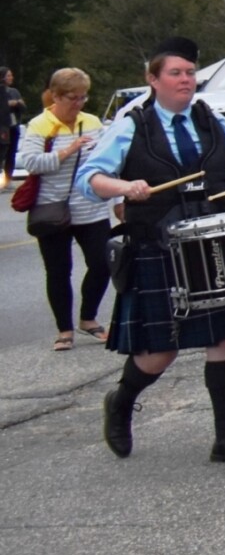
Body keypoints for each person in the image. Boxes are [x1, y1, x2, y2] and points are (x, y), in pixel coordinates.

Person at [82, 37, 225, 463]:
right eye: (175, 73)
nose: (186, 80)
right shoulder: (130, 123)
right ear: (152, 79)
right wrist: (123, 187)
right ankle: (120, 402)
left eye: (190, 73)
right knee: (159, 352)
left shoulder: (214, 122)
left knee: (224, 340)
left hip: (213, 245)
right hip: (157, 244)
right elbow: (93, 177)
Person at [18, 69, 115, 350]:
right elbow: (32, 163)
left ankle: (88, 318)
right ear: (56, 96)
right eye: (73, 98)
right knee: (59, 270)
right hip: (52, 208)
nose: (79, 103)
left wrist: (119, 201)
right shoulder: (40, 124)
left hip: (91, 207)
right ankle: (64, 330)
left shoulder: (93, 122)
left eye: (83, 97)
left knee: (102, 262)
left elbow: (109, 160)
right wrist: (67, 151)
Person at [0, 66, 22, 188]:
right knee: (2, 152)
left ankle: (8, 178)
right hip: (2, 126)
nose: (11, 78)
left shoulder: (14, 91)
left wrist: (17, 103)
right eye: (8, 75)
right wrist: (9, 103)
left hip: (13, 124)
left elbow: (22, 106)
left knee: (11, 152)